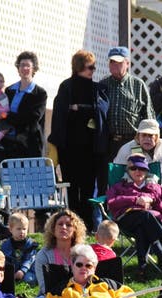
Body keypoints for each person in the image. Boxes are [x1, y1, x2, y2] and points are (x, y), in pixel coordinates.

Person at [49, 49, 108, 228]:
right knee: (73, 188)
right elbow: (60, 114)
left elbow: (102, 109)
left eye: (94, 67)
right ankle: (74, 225)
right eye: (89, 67)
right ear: (79, 67)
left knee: (89, 187)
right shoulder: (66, 87)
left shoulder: (96, 88)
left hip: (91, 148)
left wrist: (79, 108)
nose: (92, 71)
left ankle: (89, 225)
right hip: (70, 149)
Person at [106, 154, 162, 277]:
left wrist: (151, 199)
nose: (137, 171)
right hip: (126, 219)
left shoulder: (154, 187)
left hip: (150, 221)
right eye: (133, 168)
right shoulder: (120, 186)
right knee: (144, 217)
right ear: (128, 170)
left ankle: (142, 268)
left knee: (142, 226)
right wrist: (135, 200)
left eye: (141, 168)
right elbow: (112, 202)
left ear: (147, 171)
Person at [41, 243, 131, 298]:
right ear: (72, 266)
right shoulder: (59, 290)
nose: (83, 268)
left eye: (88, 265)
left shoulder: (108, 284)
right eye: (79, 264)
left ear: (94, 268)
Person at [100, 46, 155, 167]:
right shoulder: (102, 85)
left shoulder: (138, 85)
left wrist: (148, 141)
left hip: (133, 142)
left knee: (136, 172)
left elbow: (149, 117)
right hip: (109, 142)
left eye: (118, 62)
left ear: (127, 63)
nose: (114, 65)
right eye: (111, 61)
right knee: (110, 176)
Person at [0, 51, 47, 172]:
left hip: (28, 145)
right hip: (7, 144)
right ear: (18, 68)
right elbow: (1, 111)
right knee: (8, 182)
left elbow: (33, 118)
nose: (25, 68)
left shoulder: (40, 93)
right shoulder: (9, 90)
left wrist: (6, 115)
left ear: (34, 69)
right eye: (22, 65)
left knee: (28, 183)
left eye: (28, 65)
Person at [113, 118, 162, 200]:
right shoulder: (126, 149)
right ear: (138, 136)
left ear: (157, 137)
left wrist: (157, 182)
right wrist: (143, 183)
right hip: (134, 193)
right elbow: (117, 177)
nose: (147, 139)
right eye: (144, 135)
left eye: (151, 135)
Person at [33, 208, 87, 298]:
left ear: (75, 230)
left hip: (80, 295)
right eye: (60, 224)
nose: (64, 227)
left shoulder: (83, 252)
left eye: (69, 225)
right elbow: (44, 287)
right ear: (53, 229)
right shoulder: (43, 255)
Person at [0, 211, 38, 286]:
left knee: (30, 280)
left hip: (27, 270)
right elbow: (4, 259)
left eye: (24, 229)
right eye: (18, 229)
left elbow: (29, 259)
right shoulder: (6, 244)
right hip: (13, 269)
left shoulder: (30, 244)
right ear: (11, 229)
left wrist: (22, 271)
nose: (22, 232)